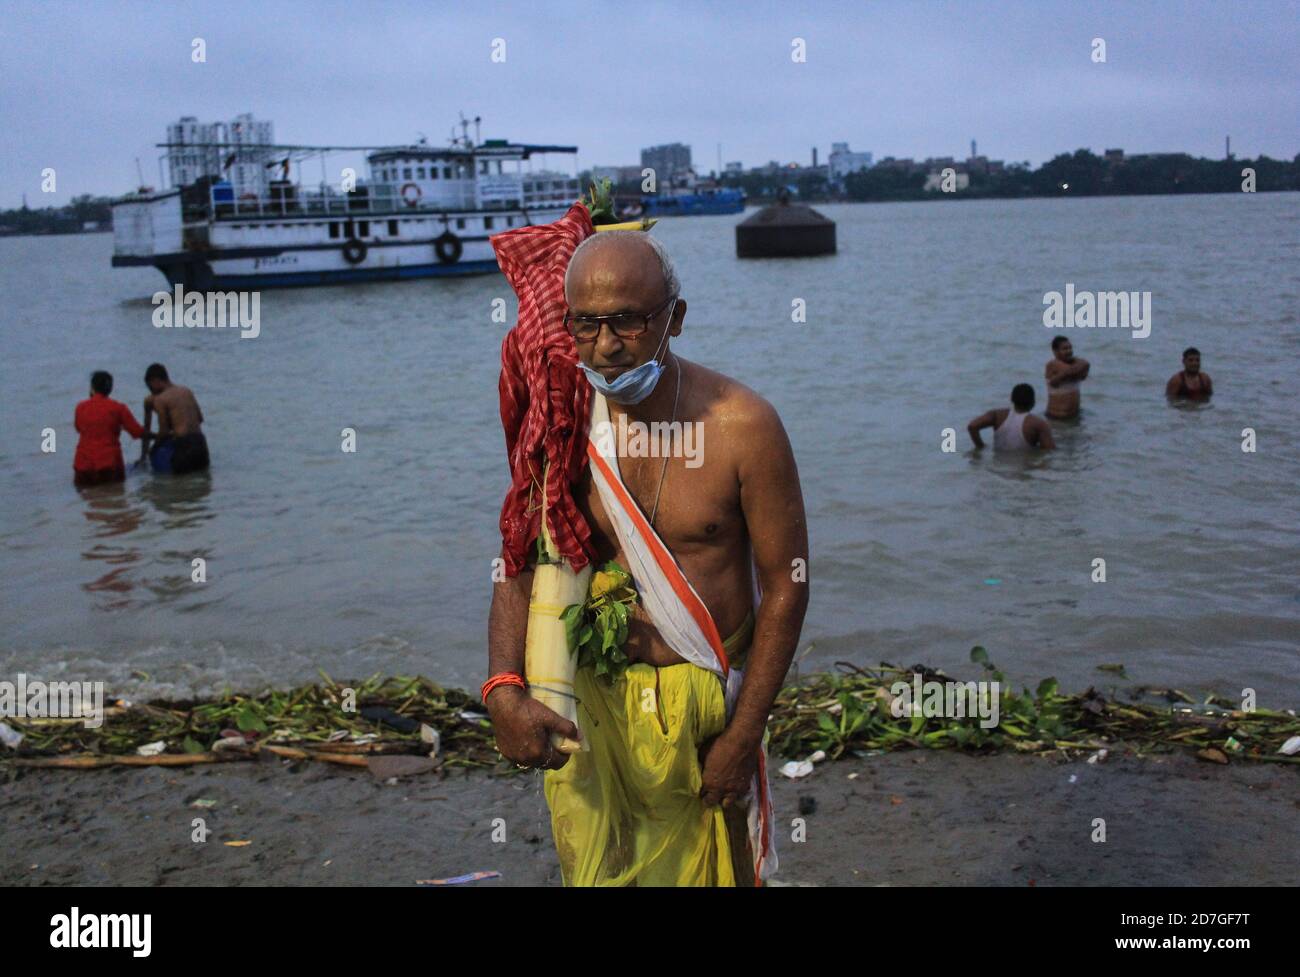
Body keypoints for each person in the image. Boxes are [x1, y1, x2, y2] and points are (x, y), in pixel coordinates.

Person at [485, 229, 809, 886]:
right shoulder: (562, 424)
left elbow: (787, 586)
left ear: (676, 319)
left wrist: (743, 736)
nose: (606, 346)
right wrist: (503, 688)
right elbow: (520, 559)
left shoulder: (743, 427)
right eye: (586, 324)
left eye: (629, 321)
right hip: (592, 710)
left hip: (704, 715)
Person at [73, 371, 145, 486]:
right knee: (113, 498)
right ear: (110, 389)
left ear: (92, 388)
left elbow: (78, 428)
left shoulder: (80, 407)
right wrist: (158, 435)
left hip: (83, 465)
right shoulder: (118, 408)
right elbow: (137, 432)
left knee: (85, 499)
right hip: (109, 464)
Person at [140, 363, 209, 474]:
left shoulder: (160, 399)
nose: (151, 391)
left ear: (155, 381)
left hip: (184, 447)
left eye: (150, 387)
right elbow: (200, 419)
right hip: (201, 445)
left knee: (176, 485)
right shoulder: (186, 391)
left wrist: (150, 452)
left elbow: (163, 432)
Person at [967, 383, 1055, 450]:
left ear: (1011, 399)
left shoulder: (997, 415)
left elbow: (972, 426)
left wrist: (981, 447)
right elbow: (1049, 451)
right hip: (1023, 469)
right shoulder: (1039, 424)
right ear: (1033, 402)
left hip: (998, 469)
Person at [1045, 337, 1090, 419]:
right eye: (1065, 349)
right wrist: (1080, 365)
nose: (1069, 351)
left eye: (1070, 348)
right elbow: (1072, 371)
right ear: (1055, 351)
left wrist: (1080, 365)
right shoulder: (1053, 364)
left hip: (1074, 417)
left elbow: (1086, 364)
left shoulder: (1073, 364)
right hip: (1057, 418)